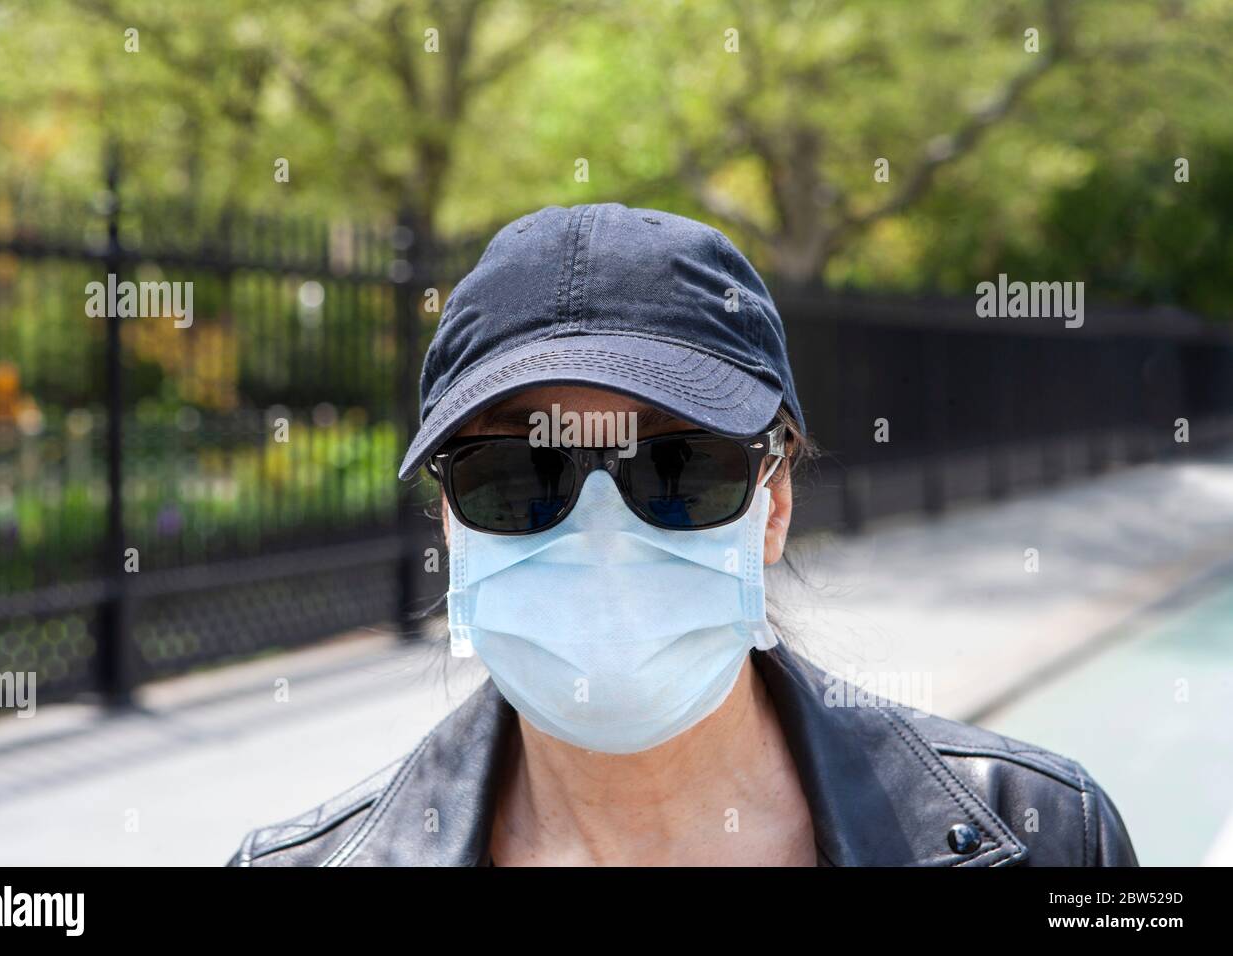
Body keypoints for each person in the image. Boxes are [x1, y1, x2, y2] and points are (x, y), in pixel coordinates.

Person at [227, 202, 1137, 867]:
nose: (600, 533)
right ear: (450, 520)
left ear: (773, 504)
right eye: (518, 476)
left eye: (676, 469)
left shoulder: (1050, 838)